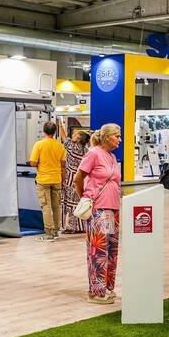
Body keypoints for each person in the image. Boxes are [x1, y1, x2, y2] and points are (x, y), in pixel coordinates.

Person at [75, 123, 122, 303]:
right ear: (107, 137)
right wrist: (86, 198)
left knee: (111, 251)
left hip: (113, 209)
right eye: (117, 135)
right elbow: (78, 178)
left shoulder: (111, 157)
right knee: (98, 252)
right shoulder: (93, 153)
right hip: (98, 209)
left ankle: (108, 287)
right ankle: (95, 292)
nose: (119, 139)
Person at [29, 120, 67, 240]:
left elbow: (33, 162)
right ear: (55, 132)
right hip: (57, 179)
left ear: (43, 131)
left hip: (43, 180)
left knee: (46, 206)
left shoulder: (39, 145)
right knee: (56, 206)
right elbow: (63, 165)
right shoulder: (60, 146)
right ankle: (56, 230)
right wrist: (63, 179)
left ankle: (48, 233)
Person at [60, 128, 91, 234]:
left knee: (70, 203)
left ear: (78, 139)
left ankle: (71, 227)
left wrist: (59, 124)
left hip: (71, 179)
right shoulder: (86, 150)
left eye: (75, 135)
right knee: (79, 202)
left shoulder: (72, 147)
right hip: (82, 178)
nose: (72, 136)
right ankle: (82, 226)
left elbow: (64, 137)